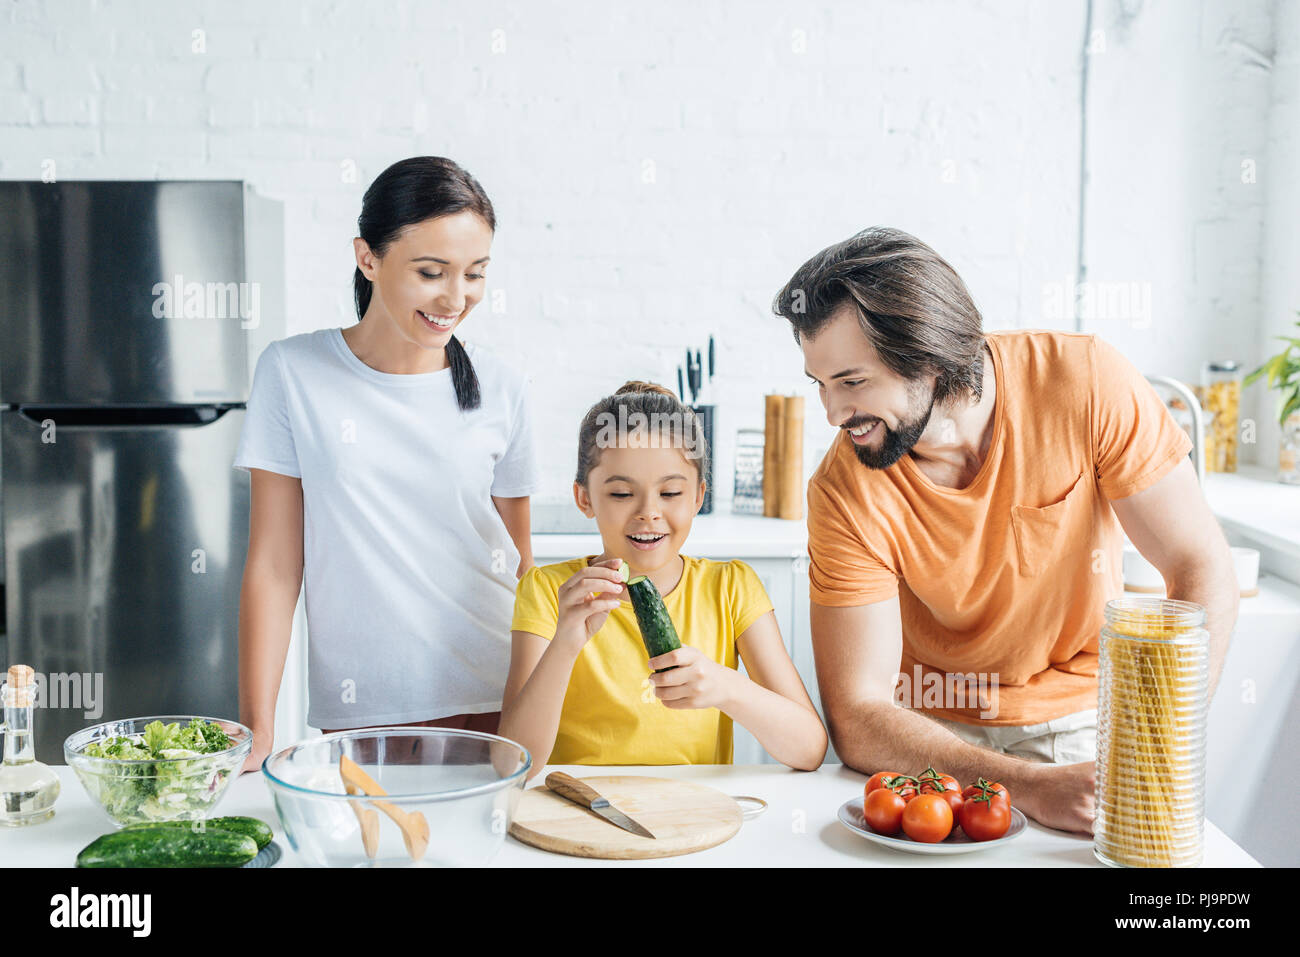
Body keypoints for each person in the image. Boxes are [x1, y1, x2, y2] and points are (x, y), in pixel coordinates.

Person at [772, 226, 1238, 834]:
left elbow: (1198, 563)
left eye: (852, 382)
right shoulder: (843, 488)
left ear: (928, 356)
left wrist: (1155, 749)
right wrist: (1023, 787)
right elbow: (859, 714)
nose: (834, 414)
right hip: (930, 746)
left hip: (1083, 727)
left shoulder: (1084, 382)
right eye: (821, 384)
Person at [234, 156, 539, 771]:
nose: (456, 298)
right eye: (432, 272)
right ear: (367, 257)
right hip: (361, 708)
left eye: (475, 274)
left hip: (497, 699)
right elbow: (273, 563)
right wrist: (257, 727)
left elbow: (520, 564)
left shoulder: (502, 387)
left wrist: (536, 696)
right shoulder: (292, 373)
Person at [499, 382, 827, 778]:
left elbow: (809, 750)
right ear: (584, 498)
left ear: (698, 496)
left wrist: (727, 687)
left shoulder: (732, 588)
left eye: (670, 492)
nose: (648, 513)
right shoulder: (548, 592)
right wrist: (566, 643)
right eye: (621, 494)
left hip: (690, 818)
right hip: (578, 812)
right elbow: (511, 765)